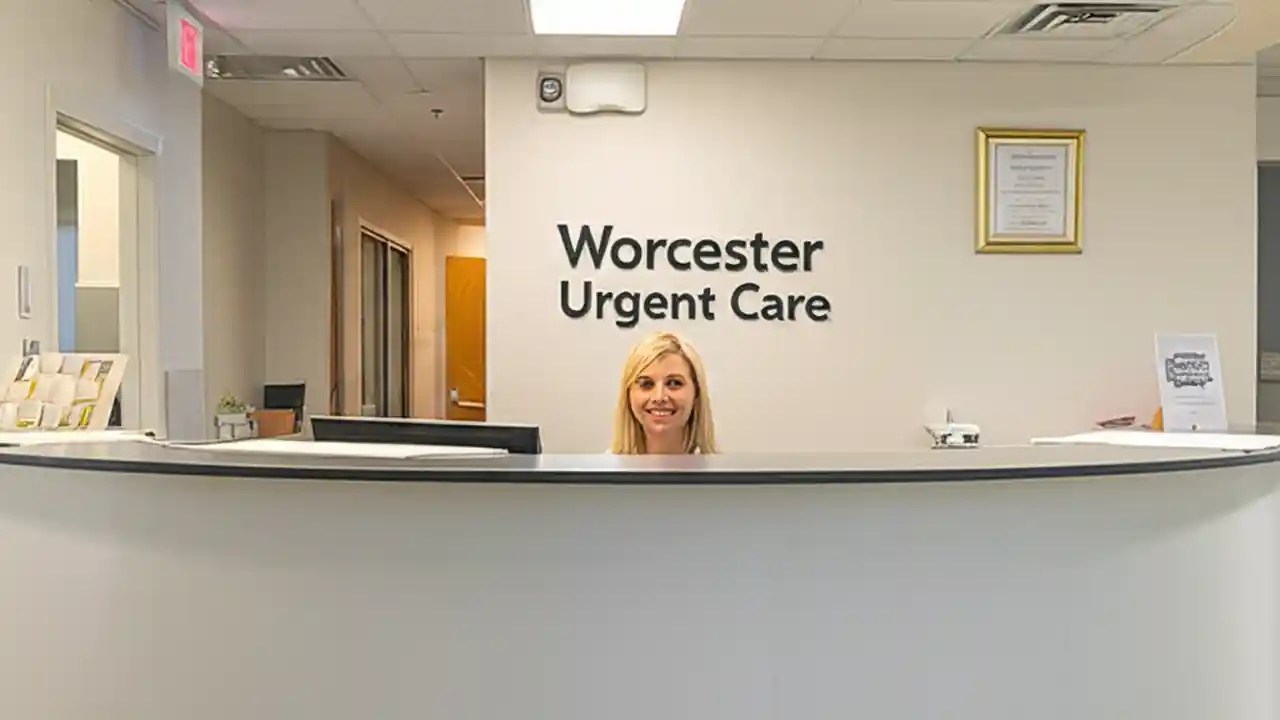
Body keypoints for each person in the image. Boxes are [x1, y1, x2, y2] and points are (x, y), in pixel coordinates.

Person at [610, 331, 718, 455]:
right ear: (628, 394)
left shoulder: (721, 472)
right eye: (647, 384)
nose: (659, 397)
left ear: (696, 393)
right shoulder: (601, 473)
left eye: (674, 383)